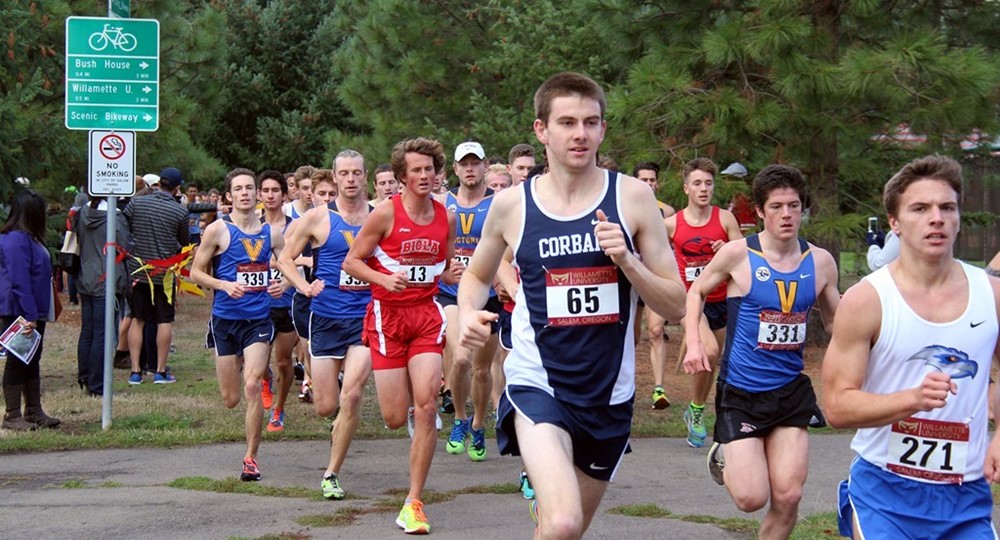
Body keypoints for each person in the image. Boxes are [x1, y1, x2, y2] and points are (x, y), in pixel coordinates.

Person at [458, 72, 687, 537]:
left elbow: (678, 304)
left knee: (565, 528)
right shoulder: (511, 206)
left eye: (590, 122)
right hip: (537, 381)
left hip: (609, 394)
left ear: (603, 129)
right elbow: (477, 274)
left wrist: (627, 260)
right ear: (541, 130)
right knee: (562, 521)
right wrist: (467, 313)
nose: (579, 133)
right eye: (566, 122)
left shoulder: (633, 198)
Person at [822, 155, 1000, 538]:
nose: (936, 218)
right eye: (920, 208)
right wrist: (912, 399)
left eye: (946, 207)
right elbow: (836, 405)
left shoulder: (993, 295)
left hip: (965, 495)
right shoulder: (867, 300)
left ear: (957, 217)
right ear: (894, 223)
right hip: (884, 492)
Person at [684, 164, 840, 540]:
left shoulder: (819, 261)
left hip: (790, 390)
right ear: (759, 211)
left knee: (788, 495)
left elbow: (837, 323)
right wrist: (693, 339)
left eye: (793, 206)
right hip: (741, 391)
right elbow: (696, 292)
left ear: (803, 208)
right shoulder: (738, 254)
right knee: (751, 499)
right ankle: (725, 453)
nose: (786, 215)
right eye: (776, 207)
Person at [342, 137, 456, 534]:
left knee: (426, 408)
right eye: (417, 170)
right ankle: (407, 405)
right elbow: (352, 262)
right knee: (394, 417)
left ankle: (414, 502)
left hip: (425, 316)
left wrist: (448, 274)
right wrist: (383, 278)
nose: (425, 175)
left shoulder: (446, 217)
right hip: (386, 317)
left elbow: (442, 265)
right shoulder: (384, 215)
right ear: (403, 176)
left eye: (430, 169)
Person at [278, 149, 374, 501]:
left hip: (365, 318)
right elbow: (284, 258)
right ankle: (337, 422)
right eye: (344, 173)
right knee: (325, 406)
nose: (350, 179)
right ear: (334, 178)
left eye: (357, 173)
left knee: (352, 394)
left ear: (365, 177)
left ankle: (331, 472)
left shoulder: (380, 217)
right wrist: (304, 286)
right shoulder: (318, 218)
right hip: (325, 318)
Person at [190, 168, 285, 482]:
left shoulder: (271, 232)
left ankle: (251, 458)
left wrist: (282, 284)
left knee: (252, 386)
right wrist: (223, 285)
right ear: (229, 196)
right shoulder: (218, 230)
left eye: (250, 188)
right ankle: (249, 375)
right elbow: (196, 273)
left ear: (257, 193)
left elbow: (288, 264)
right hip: (225, 321)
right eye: (239, 189)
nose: (246, 193)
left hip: (257, 319)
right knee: (231, 399)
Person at [665, 158, 743, 445]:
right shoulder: (672, 224)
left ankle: (695, 408)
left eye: (708, 183)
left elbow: (743, 256)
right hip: (691, 300)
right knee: (708, 351)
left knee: (713, 359)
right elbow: (650, 250)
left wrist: (728, 249)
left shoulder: (725, 219)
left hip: (722, 299)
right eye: (697, 183)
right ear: (686, 188)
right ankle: (698, 410)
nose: (703, 189)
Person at [437, 140, 499, 462]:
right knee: (460, 359)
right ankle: (459, 418)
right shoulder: (443, 204)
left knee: (482, 369)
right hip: (451, 293)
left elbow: (511, 245)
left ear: (486, 166)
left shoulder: (498, 204)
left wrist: (502, 277)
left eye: (476, 163)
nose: (471, 169)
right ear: (456, 169)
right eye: (465, 163)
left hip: (488, 294)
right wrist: (443, 272)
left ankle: (478, 424)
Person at [123, 166, 190, 385]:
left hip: (138, 270)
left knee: (138, 319)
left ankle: (135, 371)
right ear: (177, 188)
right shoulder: (180, 212)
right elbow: (184, 243)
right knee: (164, 320)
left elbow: (126, 226)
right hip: (165, 273)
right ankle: (160, 371)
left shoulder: (137, 203)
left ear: (158, 183)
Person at [0, 188, 60, 430]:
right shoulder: (15, 240)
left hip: (33, 308)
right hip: (20, 310)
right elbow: (19, 279)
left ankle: (34, 410)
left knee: (32, 358)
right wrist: (30, 315)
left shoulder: (30, 238)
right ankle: (12, 415)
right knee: (17, 359)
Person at [630, 161, 678, 412]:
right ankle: (628, 384)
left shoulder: (667, 211)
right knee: (631, 336)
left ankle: (659, 388)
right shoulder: (627, 207)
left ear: (657, 183)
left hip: (654, 278)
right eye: (643, 179)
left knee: (656, 331)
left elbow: (670, 247)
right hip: (630, 278)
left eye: (652, 180)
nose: (648, 184)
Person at [74, 195, 130, 397]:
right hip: (106, 278)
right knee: (102, 333)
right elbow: (125, 246)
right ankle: (98, 385)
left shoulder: (81, 213)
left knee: (88, 331)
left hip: (85, 275)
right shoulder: (114, 215)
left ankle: (85, 377)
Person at [257, 171, 297, 433]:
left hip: (287, 301)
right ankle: (264, 378)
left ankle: (279, 408)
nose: (270, 195)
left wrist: (285, 280)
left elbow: (296, 263)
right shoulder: (252, 225)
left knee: (284, 361)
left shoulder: (295, 226)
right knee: (258, 363)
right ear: (259, 194)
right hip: (258, 303)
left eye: (275, 191)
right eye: (266, 190)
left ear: (284, 195)